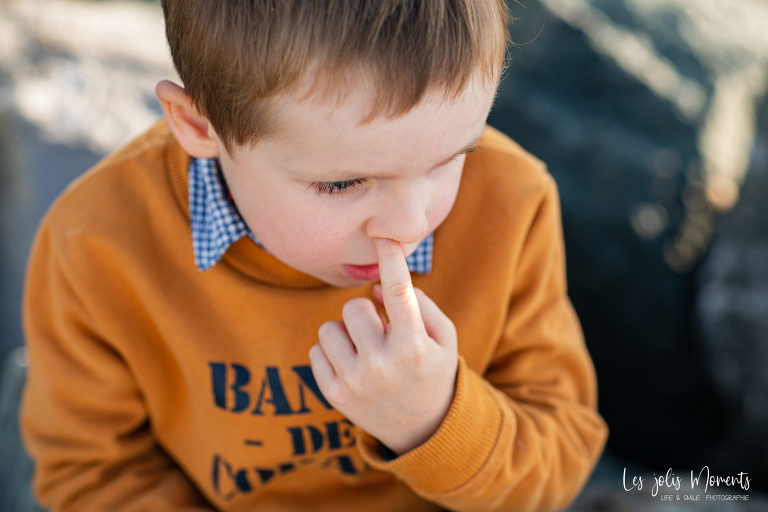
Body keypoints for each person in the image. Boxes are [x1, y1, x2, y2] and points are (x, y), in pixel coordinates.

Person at [20, 1, 609, 510]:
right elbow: (91, 473)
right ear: (198, 125)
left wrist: (433, 423)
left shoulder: (509, 203)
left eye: (448, 158)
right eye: (343, 184)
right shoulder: (98, 243)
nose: (408, 225)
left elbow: (559, 462)